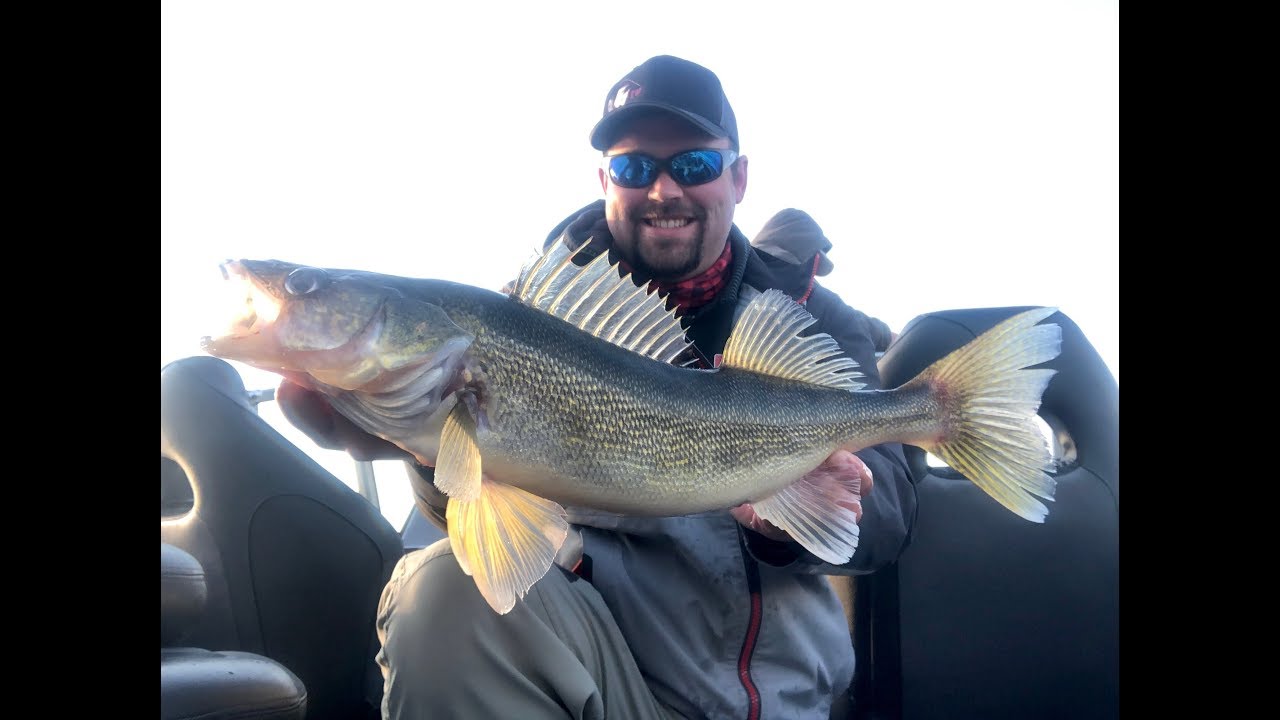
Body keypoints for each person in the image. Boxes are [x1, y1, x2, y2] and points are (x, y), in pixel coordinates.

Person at [277, 54, 916, 720]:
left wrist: (790, 525)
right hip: (602, 685)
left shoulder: (809, 315)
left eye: (694, 164)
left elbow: (887, 523)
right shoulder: (524, 322)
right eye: (636, 167)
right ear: (605, 178)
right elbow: (489, 535)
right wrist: (420, 444)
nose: (664, 191)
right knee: (438, 590)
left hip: (776, 703)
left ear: (739, 176)